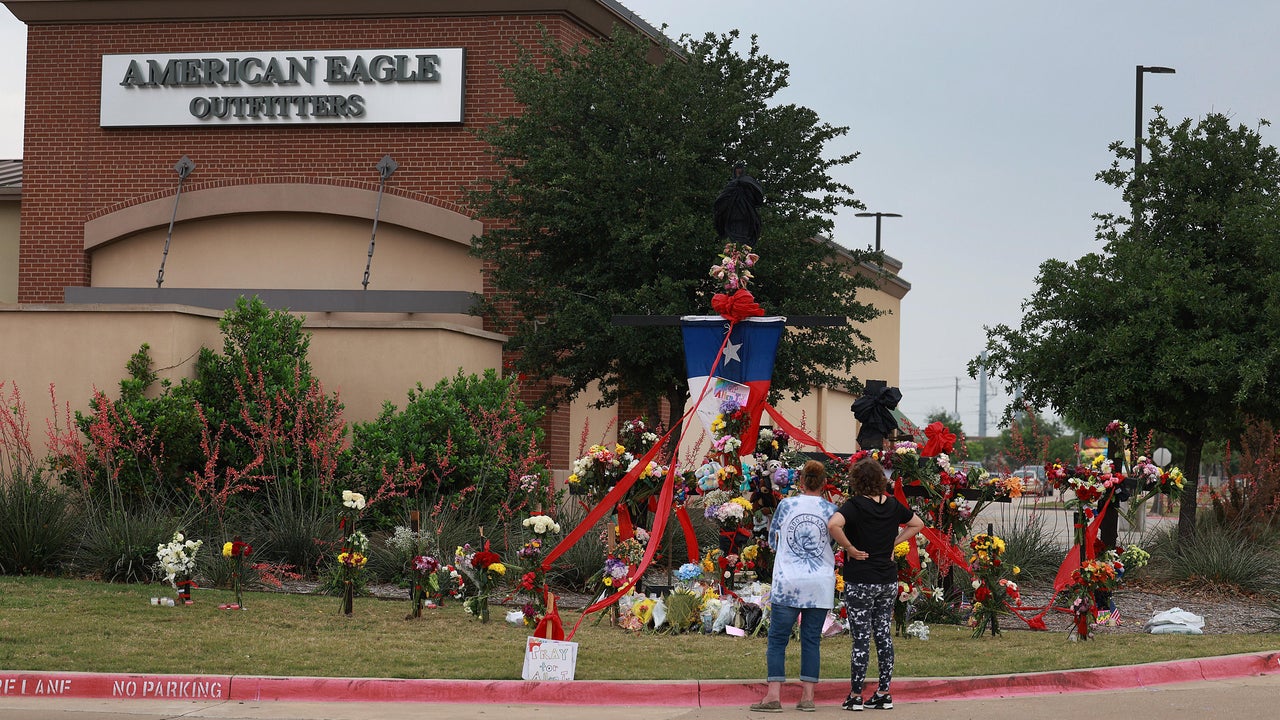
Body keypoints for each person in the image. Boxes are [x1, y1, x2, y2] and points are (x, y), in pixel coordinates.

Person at [828, 457, 924, 712]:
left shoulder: (855, 506)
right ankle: (883, 692)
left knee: (860, 637)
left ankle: (856, 695)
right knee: (882, 634)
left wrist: (849, 547)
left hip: (860, 578)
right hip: (887, 579)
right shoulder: (893, 505)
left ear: (857, 481)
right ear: (881, 480)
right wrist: (893, 543)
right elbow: (918, 524)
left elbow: (833, 525)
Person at [750, 460, 841, 713]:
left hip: (788, 581)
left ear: (800, 482)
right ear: (824, 484)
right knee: (811, 639)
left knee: (778, 639)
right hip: (819, 582)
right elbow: (834, 542)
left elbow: (772, 540)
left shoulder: (786, 505)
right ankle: (808, 697)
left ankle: (773, 695)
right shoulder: (831, 509)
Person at [713, 163, 765, 245]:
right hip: (732, 218)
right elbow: (721, 200)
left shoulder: (748, 182)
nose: (739, 172)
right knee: (734, 240)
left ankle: (742, 253)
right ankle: (736, 254)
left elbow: (756, 196)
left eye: (740, 169)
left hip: (746, 216)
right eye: (737, 170)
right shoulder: (731, 185)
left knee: (743, 239)